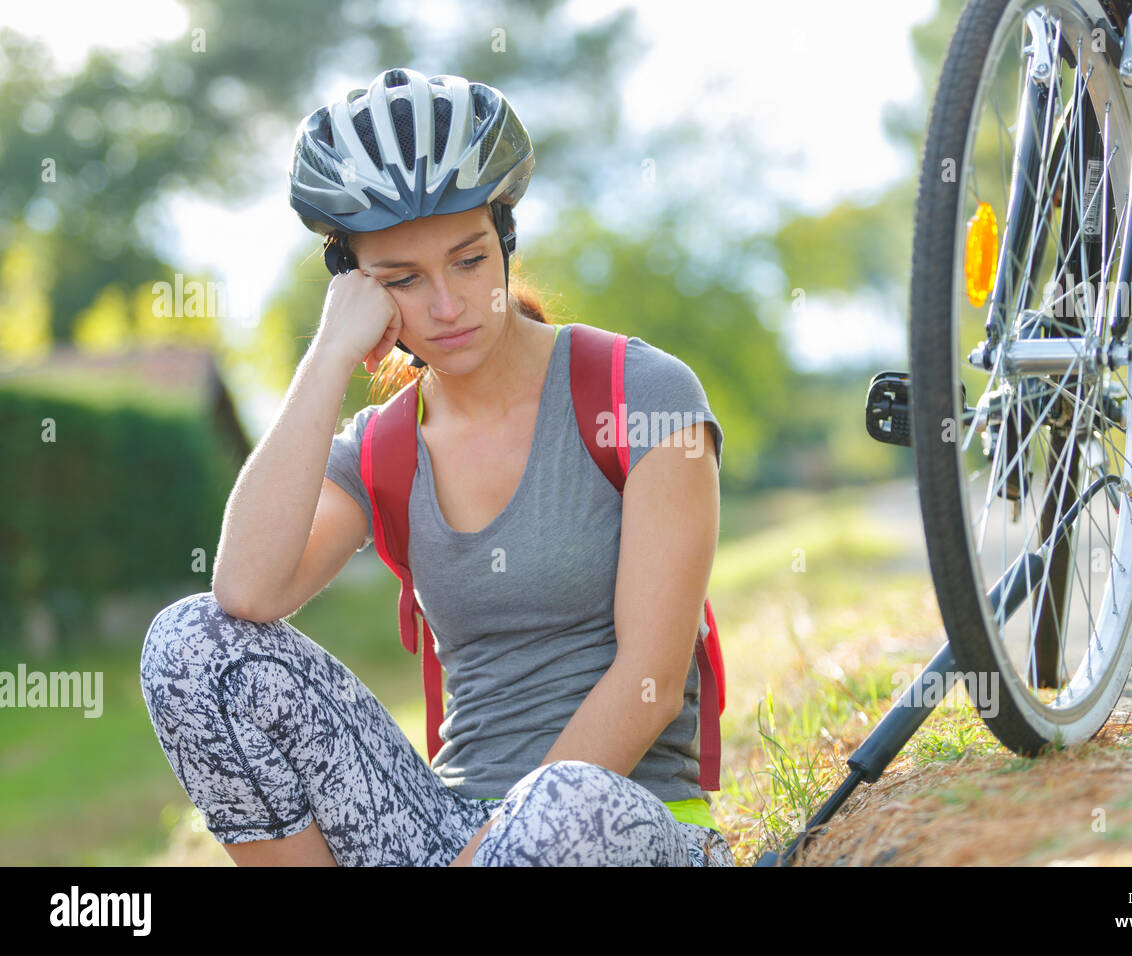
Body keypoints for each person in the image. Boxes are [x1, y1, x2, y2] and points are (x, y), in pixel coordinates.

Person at [139, 68, 734, 866]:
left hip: (612, 819)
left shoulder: (645, 395)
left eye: (467, 260)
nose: (448, 306)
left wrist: (491, 853)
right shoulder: (384, 444)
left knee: (560, 806)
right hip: (447, 824)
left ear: (505, 239)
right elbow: (247, 591)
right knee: (189, 645)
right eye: (401, 280)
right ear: (356, 287)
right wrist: (327, 359)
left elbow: (653, 675)